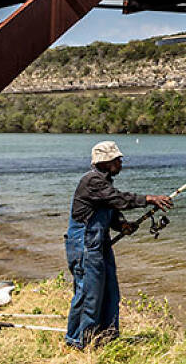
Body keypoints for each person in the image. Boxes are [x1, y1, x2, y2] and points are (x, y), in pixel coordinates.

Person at [65, 140, 171, 350]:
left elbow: (111, 208)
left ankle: (106, 337)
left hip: (100, 243)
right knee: (89, 293)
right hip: (85, 243)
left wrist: (121, 225)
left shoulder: (103, 183)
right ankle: (79, 341)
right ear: (105, 162)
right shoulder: (92, 181)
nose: (121, 163)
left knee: (110, 292)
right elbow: (119, 199)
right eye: (117, 160)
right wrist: (149, 199)